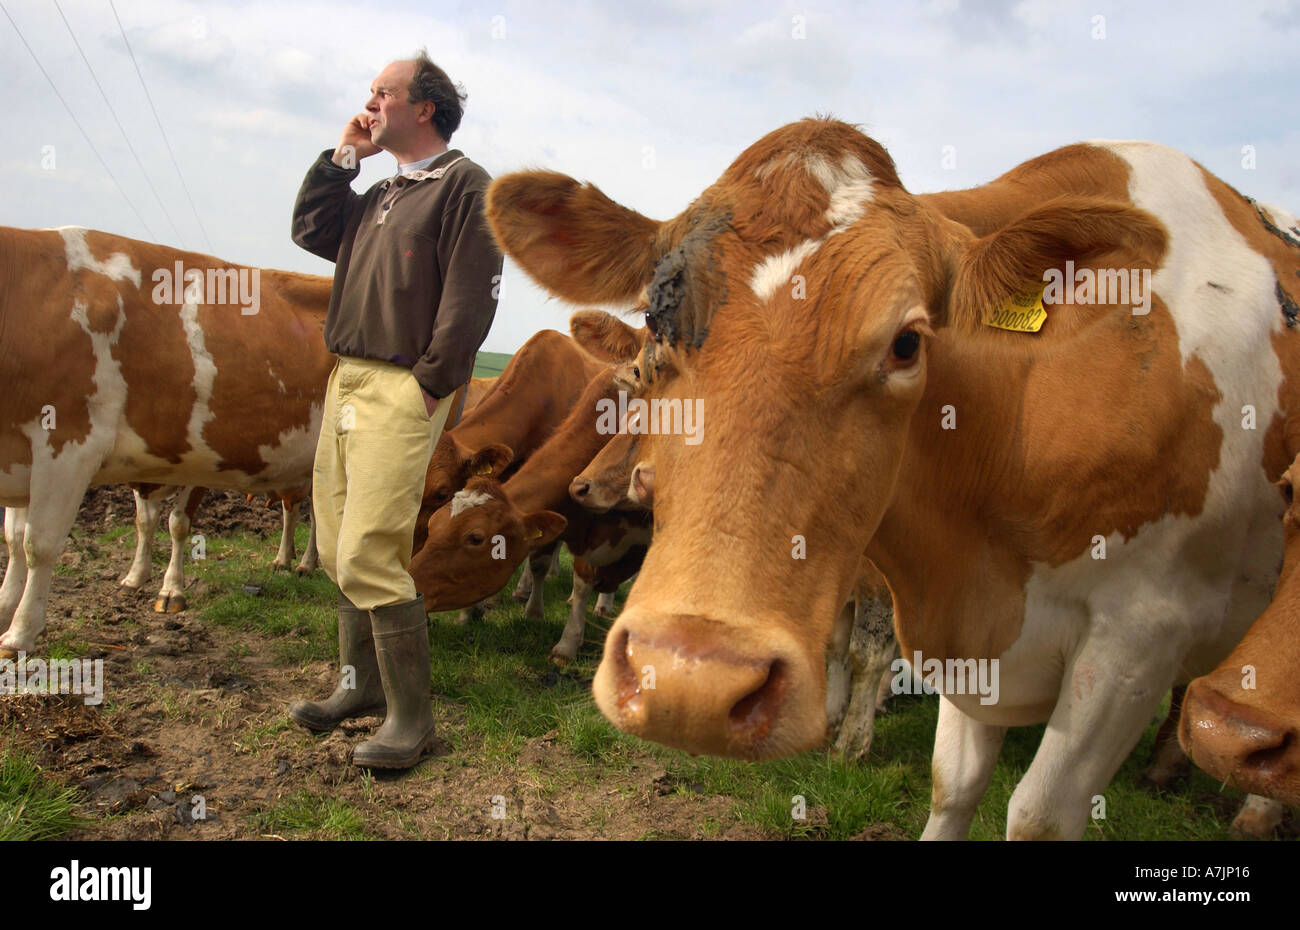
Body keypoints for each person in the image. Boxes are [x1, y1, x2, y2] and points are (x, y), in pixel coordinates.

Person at [288, 51, 502, 769]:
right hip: (345, 377)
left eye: (384, 93)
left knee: (371, 550)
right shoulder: (380, 191)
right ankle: (359, 688)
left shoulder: (466, 185)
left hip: (402, 386)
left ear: (425, 109)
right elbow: (312, 231)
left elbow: (472, 293)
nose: (370, 101)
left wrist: (432, 384)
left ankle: (413, 721)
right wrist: (344, 155)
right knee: (334, 539)